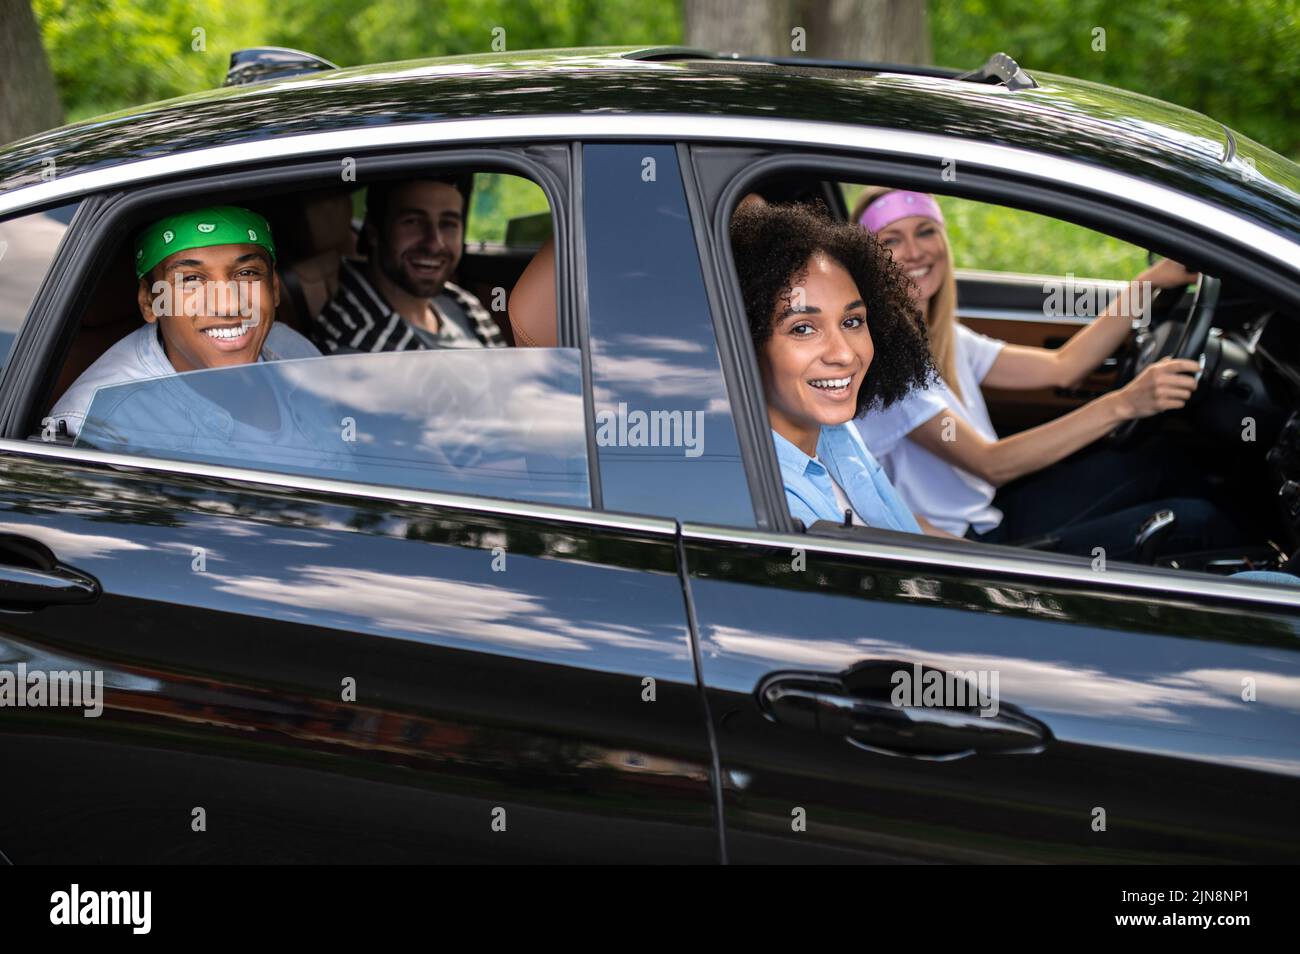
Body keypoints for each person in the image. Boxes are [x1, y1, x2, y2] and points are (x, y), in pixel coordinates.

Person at [852, 188, 1240, 559]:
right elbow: (992, 463)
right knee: (1196, 522)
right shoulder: (889, 369)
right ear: (868, 261)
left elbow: (1064, 367)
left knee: (1159, 459)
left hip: (991, 508)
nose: (916, 251)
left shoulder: (942, 336)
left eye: (925, 231)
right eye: (892, 240)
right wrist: (1126, 403)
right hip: (968, 545)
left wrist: (1146, 284)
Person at [729, 198, 952, 536]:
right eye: (803, 328)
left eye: (851, 321)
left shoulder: (834, 433)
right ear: (746, 342)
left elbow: (904, 533)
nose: (845, 354)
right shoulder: (769, 504)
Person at [50, 205, 321, 443]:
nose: (228, 306)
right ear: (149, 302)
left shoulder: (288, 346)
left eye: (246, 273)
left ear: (274, 288)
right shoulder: (104, 429)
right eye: (191, 279)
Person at [312, 176, 505, 353]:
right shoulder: (356, 341)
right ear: (373, 231)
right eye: (413, 222)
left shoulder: (461, 302)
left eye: (448, 224)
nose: (434, 244)